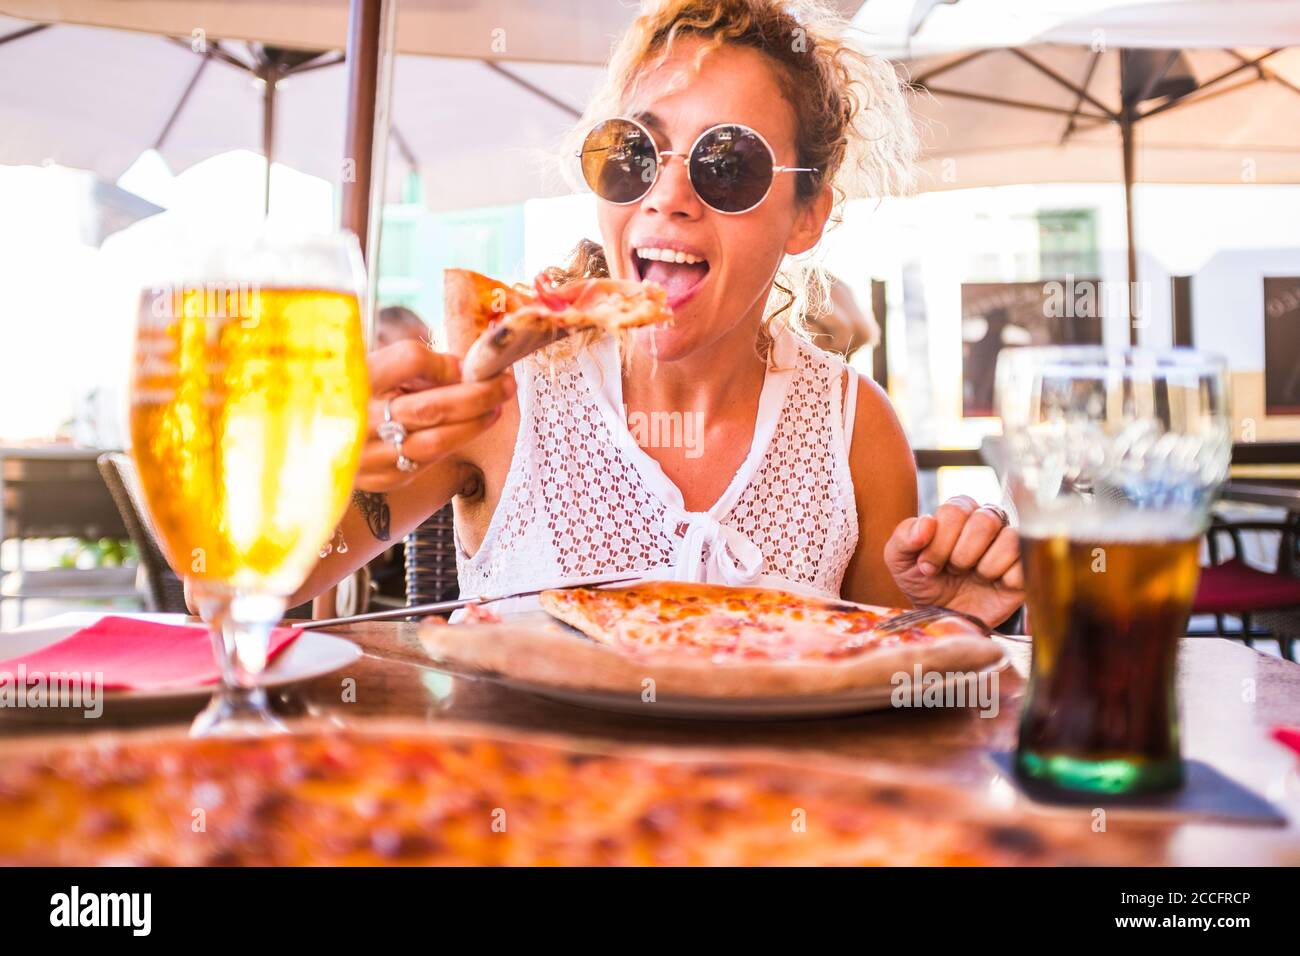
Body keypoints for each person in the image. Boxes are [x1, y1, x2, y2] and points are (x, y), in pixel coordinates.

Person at [291, 0, 1023, 627]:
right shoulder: (501, 396)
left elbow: (888, 700)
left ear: (808, 217)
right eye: (634, 153)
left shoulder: (855, 432)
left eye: (728, 163)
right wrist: (319, 458)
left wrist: (947, 620)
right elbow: (229, 587)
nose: (668, 195)